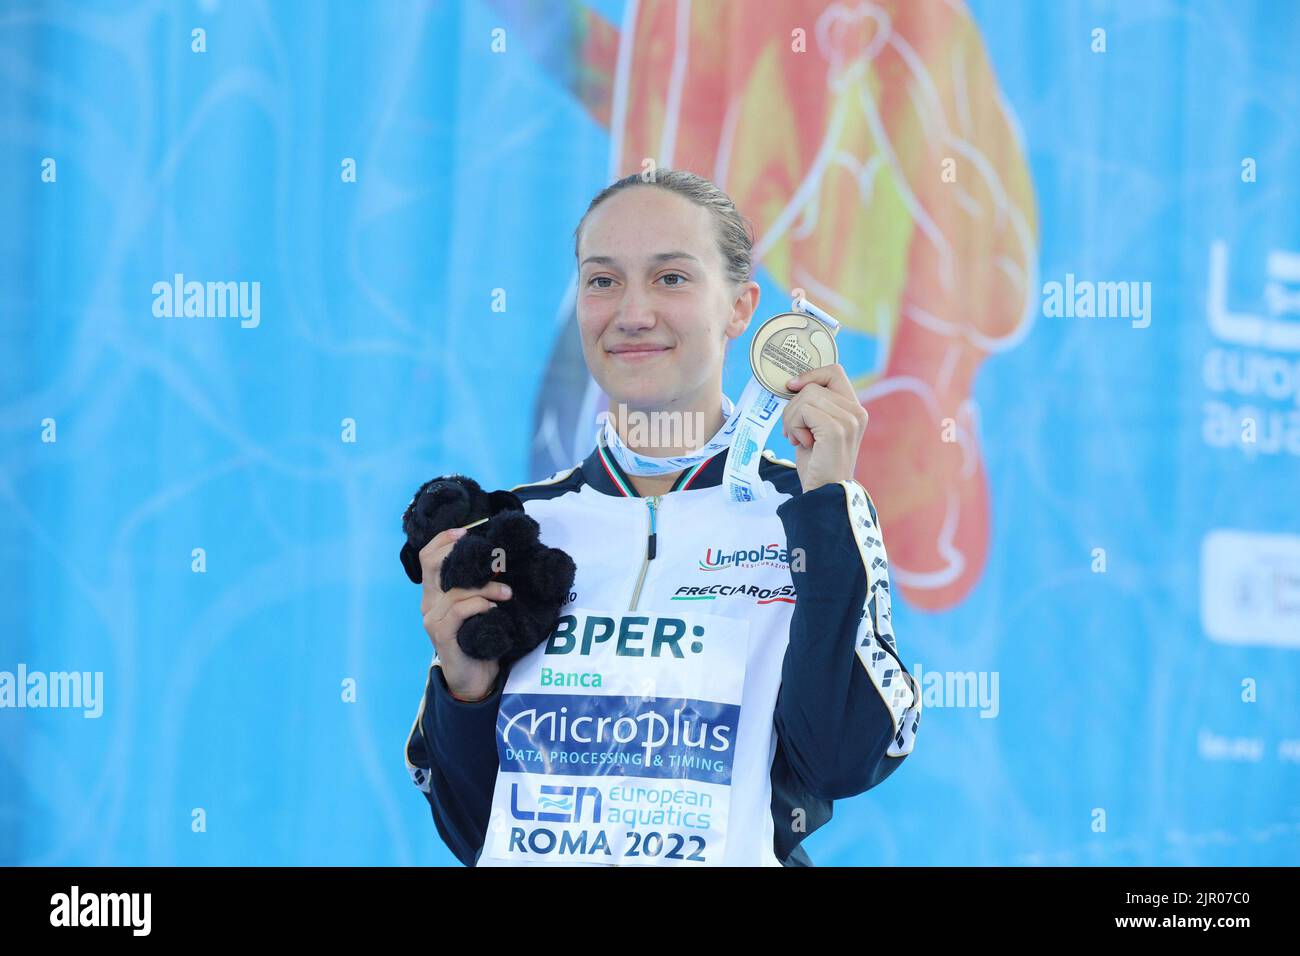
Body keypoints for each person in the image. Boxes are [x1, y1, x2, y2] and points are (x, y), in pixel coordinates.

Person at [405, 169, 921, 866]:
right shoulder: (518, 530)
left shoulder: (803, 516)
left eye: (672, 278)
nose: (633, 311)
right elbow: (477, 834)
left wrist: (827, 504)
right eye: (602, 280)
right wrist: (464, 687)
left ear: (740, 309)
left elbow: (840, 761)